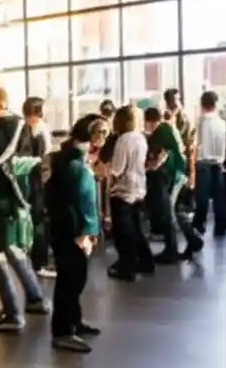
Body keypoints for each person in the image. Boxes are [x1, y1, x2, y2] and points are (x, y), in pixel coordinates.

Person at [0, 86, 49, 332]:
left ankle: (12, 313)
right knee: (11, 248)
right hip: (4, 194)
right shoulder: (3, 126)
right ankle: (35, 298)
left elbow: (0, 155)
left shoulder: (10, 126)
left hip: (4, 195)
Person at [45, 117, 106, 353]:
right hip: (71, 231)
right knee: (70, 280)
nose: (102, 137)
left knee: (76, 278)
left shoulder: (75, 159)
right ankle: (62, 331)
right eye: (99, 132)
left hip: (73, 229)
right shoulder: (73, 164)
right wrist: (82, 233)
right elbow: (72, 202)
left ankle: (74, 321)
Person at [144, 107, 203, 263]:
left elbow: (162, 155)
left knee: (168, 212)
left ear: (149, 121)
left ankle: (171, 250)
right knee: (175, 211)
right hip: (179, 174)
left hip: (172, 175)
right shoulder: (169, 128)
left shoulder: (160, 132)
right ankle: (194, 240)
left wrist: (150, 166)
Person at [107, 105, 152, 281]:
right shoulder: (141, 138)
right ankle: (146, 261)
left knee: (123, 233)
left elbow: (118, 169)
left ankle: (127, 268)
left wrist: (106, 170)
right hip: (139, 188)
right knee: (137, 230)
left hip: (123, 190)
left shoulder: (123, 140)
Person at [19, 97, 54, 278]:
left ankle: (34, 261)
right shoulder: (37, 129)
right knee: (39, 221)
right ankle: (38, 263)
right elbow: (45, 156)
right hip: (37, 181)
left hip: (31, 181)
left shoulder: (25, 129)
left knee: (34, 220)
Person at [192, 91, 226, 237]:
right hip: (218, 162)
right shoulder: (222, 122)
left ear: (203, 104)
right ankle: (221, 226)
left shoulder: (202, 120)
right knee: (220, 197)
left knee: (202, 197)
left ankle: (198, 224)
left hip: (203, 162)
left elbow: (196, 140)